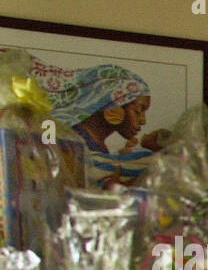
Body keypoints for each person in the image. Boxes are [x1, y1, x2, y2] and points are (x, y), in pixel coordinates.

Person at [33, 59, 168, 185]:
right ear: (112, 107)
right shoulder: (63, 135)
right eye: (138, 111)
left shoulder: (98, 145)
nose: (143, 121)